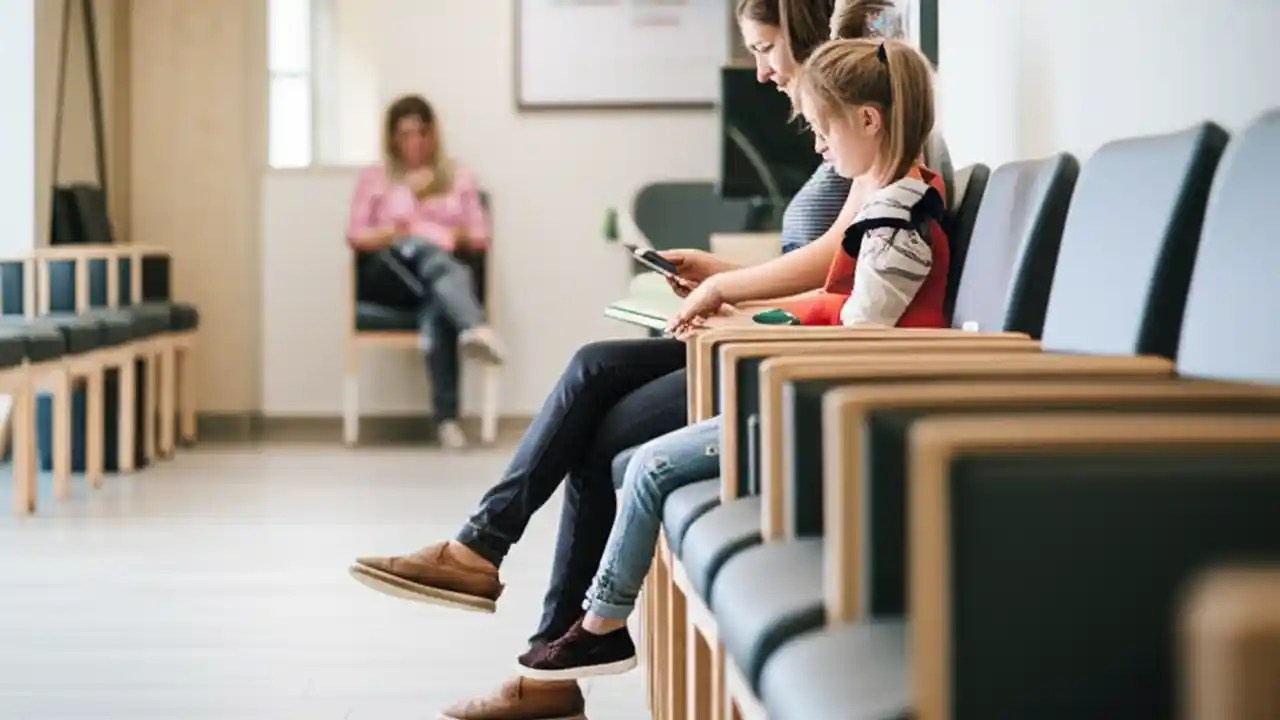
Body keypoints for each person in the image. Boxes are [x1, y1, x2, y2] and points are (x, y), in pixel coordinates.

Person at [350, 1, 871, 717]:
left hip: (780, 355)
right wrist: (716, 274)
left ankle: (532, 646)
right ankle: (487, 562)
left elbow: (839, 261)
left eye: (764, 47)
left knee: (595, 436)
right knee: (594, 365)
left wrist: (728, 288)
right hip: (767, 330)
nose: (759, 69)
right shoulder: (844, 139)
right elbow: (823, 267)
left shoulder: (867, 136)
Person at [514, 32, 952, 679]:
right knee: (629, 453)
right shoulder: (891, 205)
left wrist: (751, 325)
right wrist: (750, 315)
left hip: (841, 414)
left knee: (650, 466)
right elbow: (840, 311)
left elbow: (858, 343)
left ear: (868, 119)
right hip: (820, 397)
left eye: (824, 129)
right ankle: (585, 622)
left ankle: (602, 624)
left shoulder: (895, 222)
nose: (819, 145)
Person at [346, 94, 503, 450]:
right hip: (390, 273)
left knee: (438, 300)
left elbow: (480, 236)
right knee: (421, 250)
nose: (413, 142)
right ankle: (474, 326)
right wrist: (396, 232)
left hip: (437, 275)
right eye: (403, 134)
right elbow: (355, 235)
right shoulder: (376, 178)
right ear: (392, 138)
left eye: (420, 133)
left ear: (433, 134)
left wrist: (451, 234)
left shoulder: (457, 177)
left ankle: (447, 421)